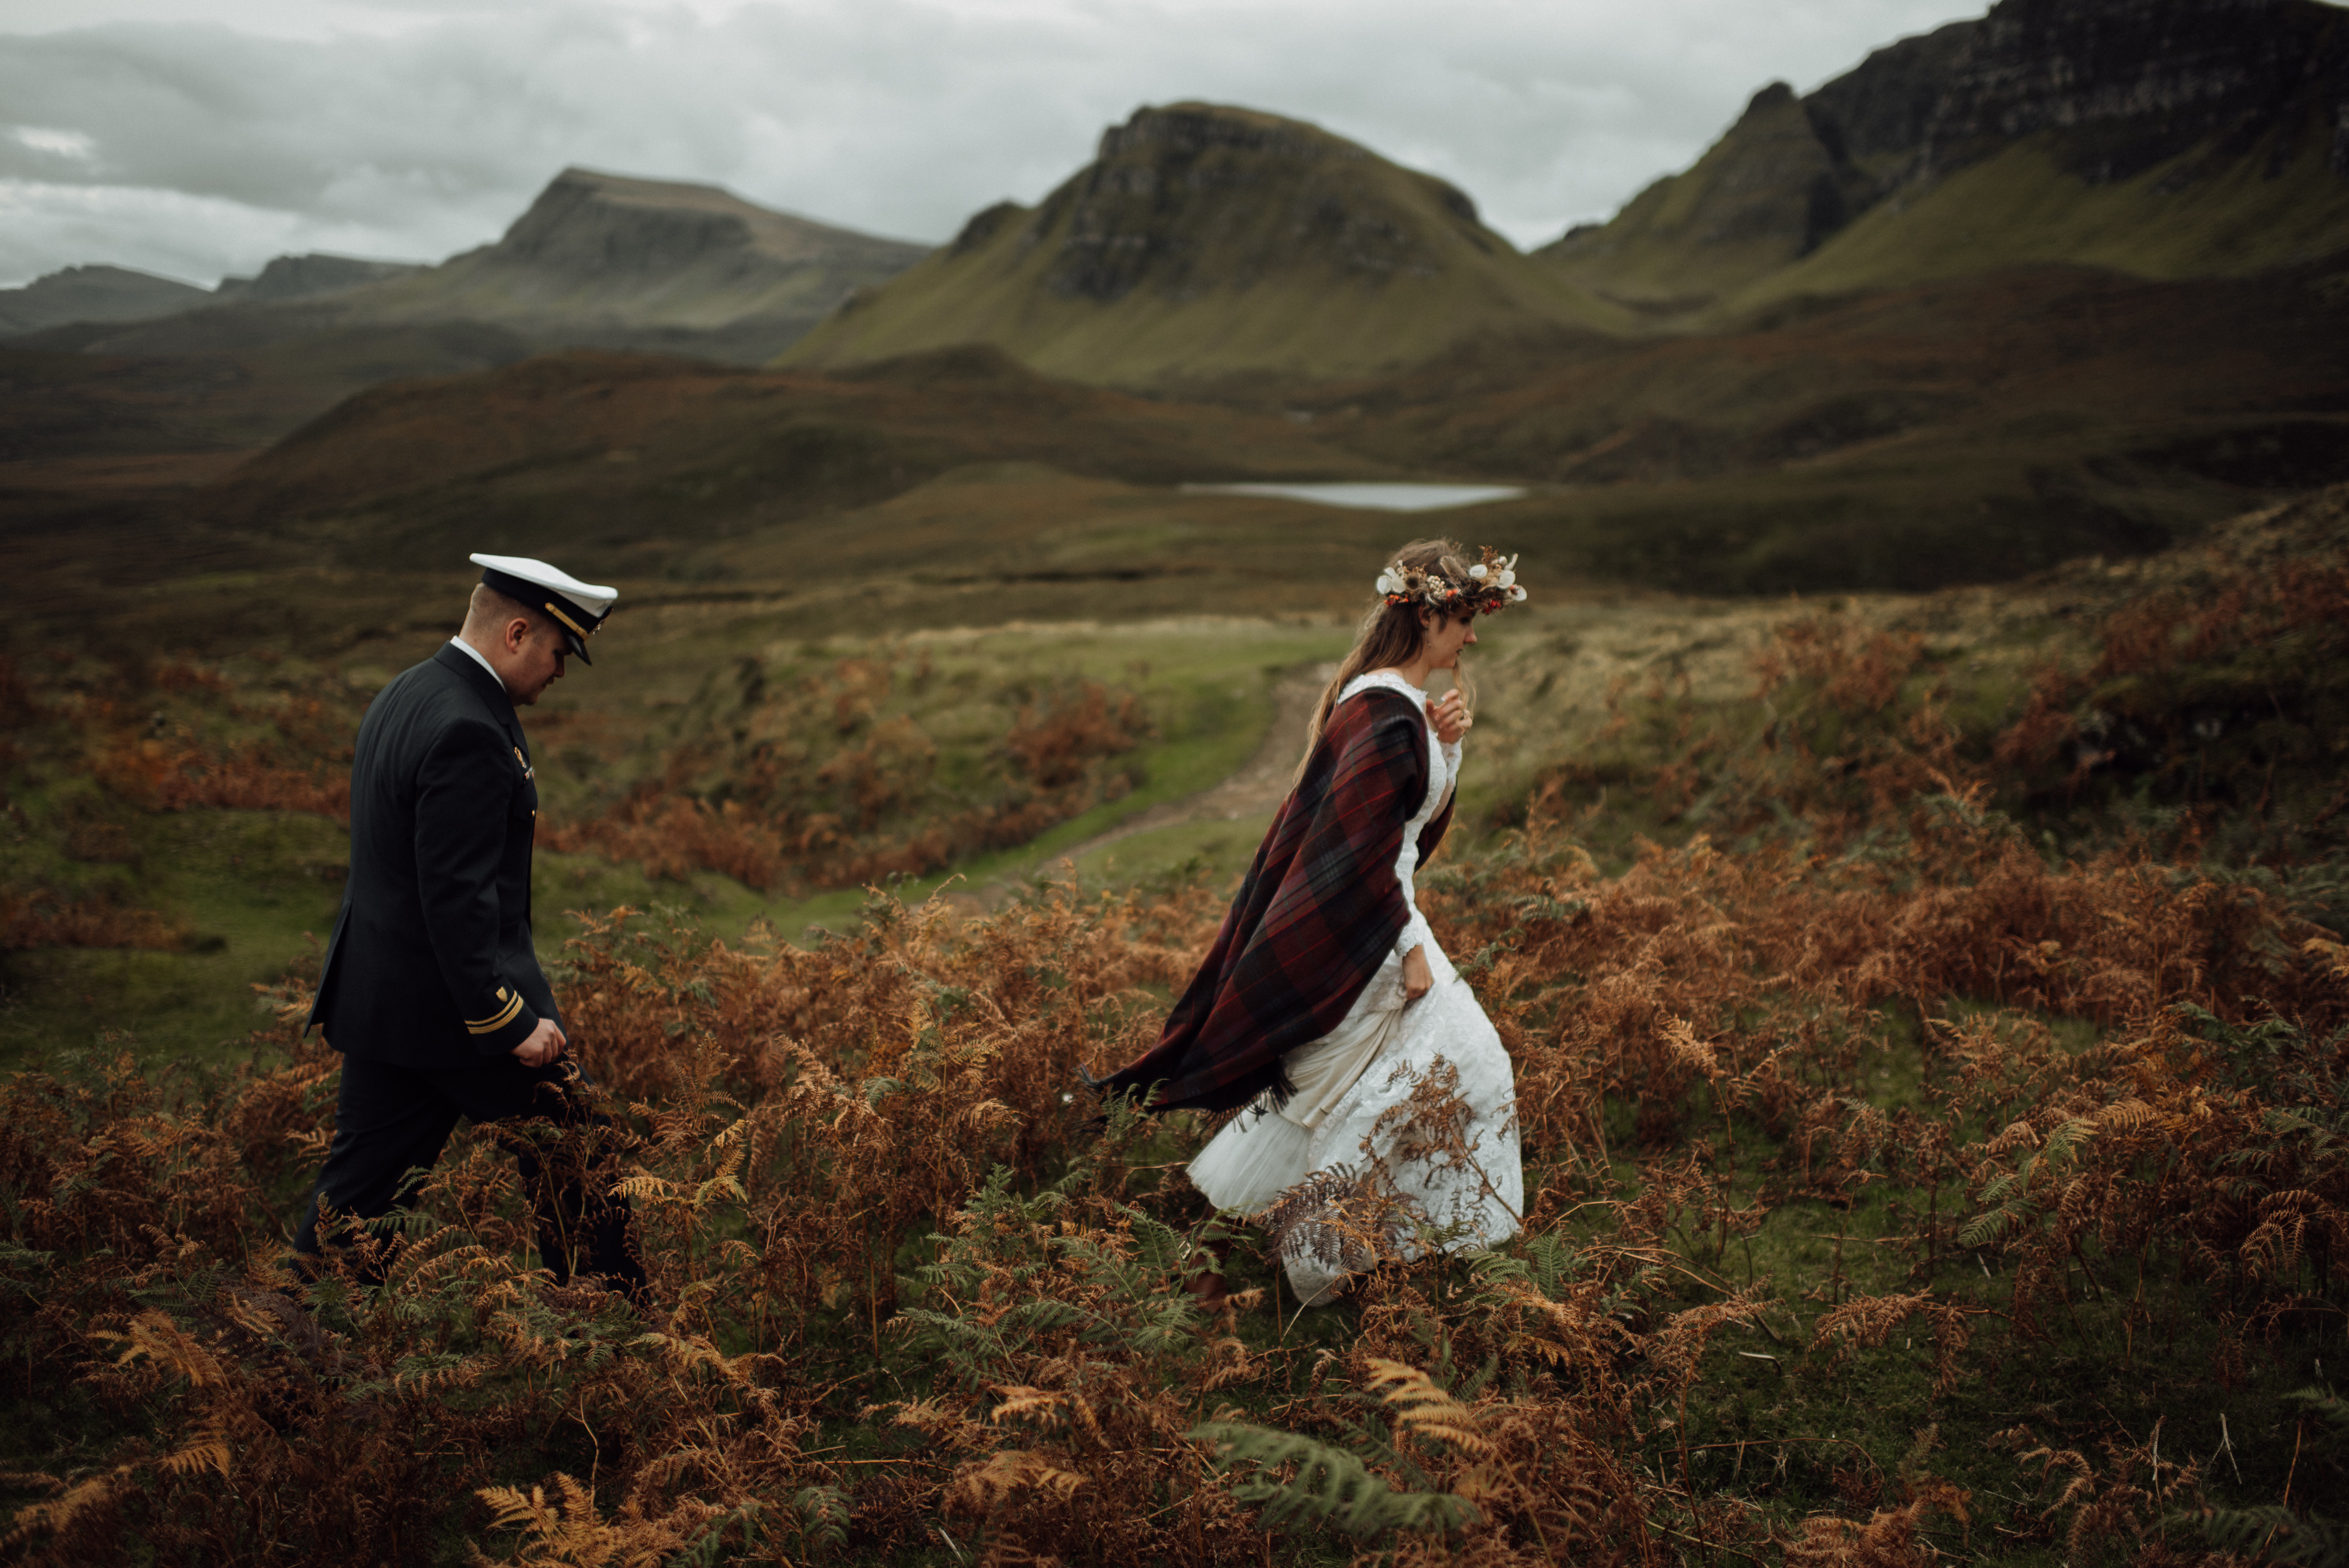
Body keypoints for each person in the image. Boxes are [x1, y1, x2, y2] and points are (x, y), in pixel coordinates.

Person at [1092, 539, 1527, 1307]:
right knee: (1418, 1080)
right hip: (1378, 935)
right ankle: (1314, 1251)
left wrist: (1449, 747)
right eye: (1463, 619)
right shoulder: (1381, 711)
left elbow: (1404, 828)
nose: (1471, 636)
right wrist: (1408, 947)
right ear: (1426, 617)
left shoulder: (1397, 707)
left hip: (1385, 922)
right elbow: (1364, 853)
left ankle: (1300, 1247)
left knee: (1343, 1091)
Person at [294, 552, 648, 1302]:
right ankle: (611, 1329)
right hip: (453, 1015)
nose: (561, 672)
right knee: (581, 1151)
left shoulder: (408, 690)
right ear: (516, 633)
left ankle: (284, 1347)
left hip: (386, 1003)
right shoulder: (470, 728)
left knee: (356, 1205)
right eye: (559, 653)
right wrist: (506, 1018)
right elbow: (454, 898)